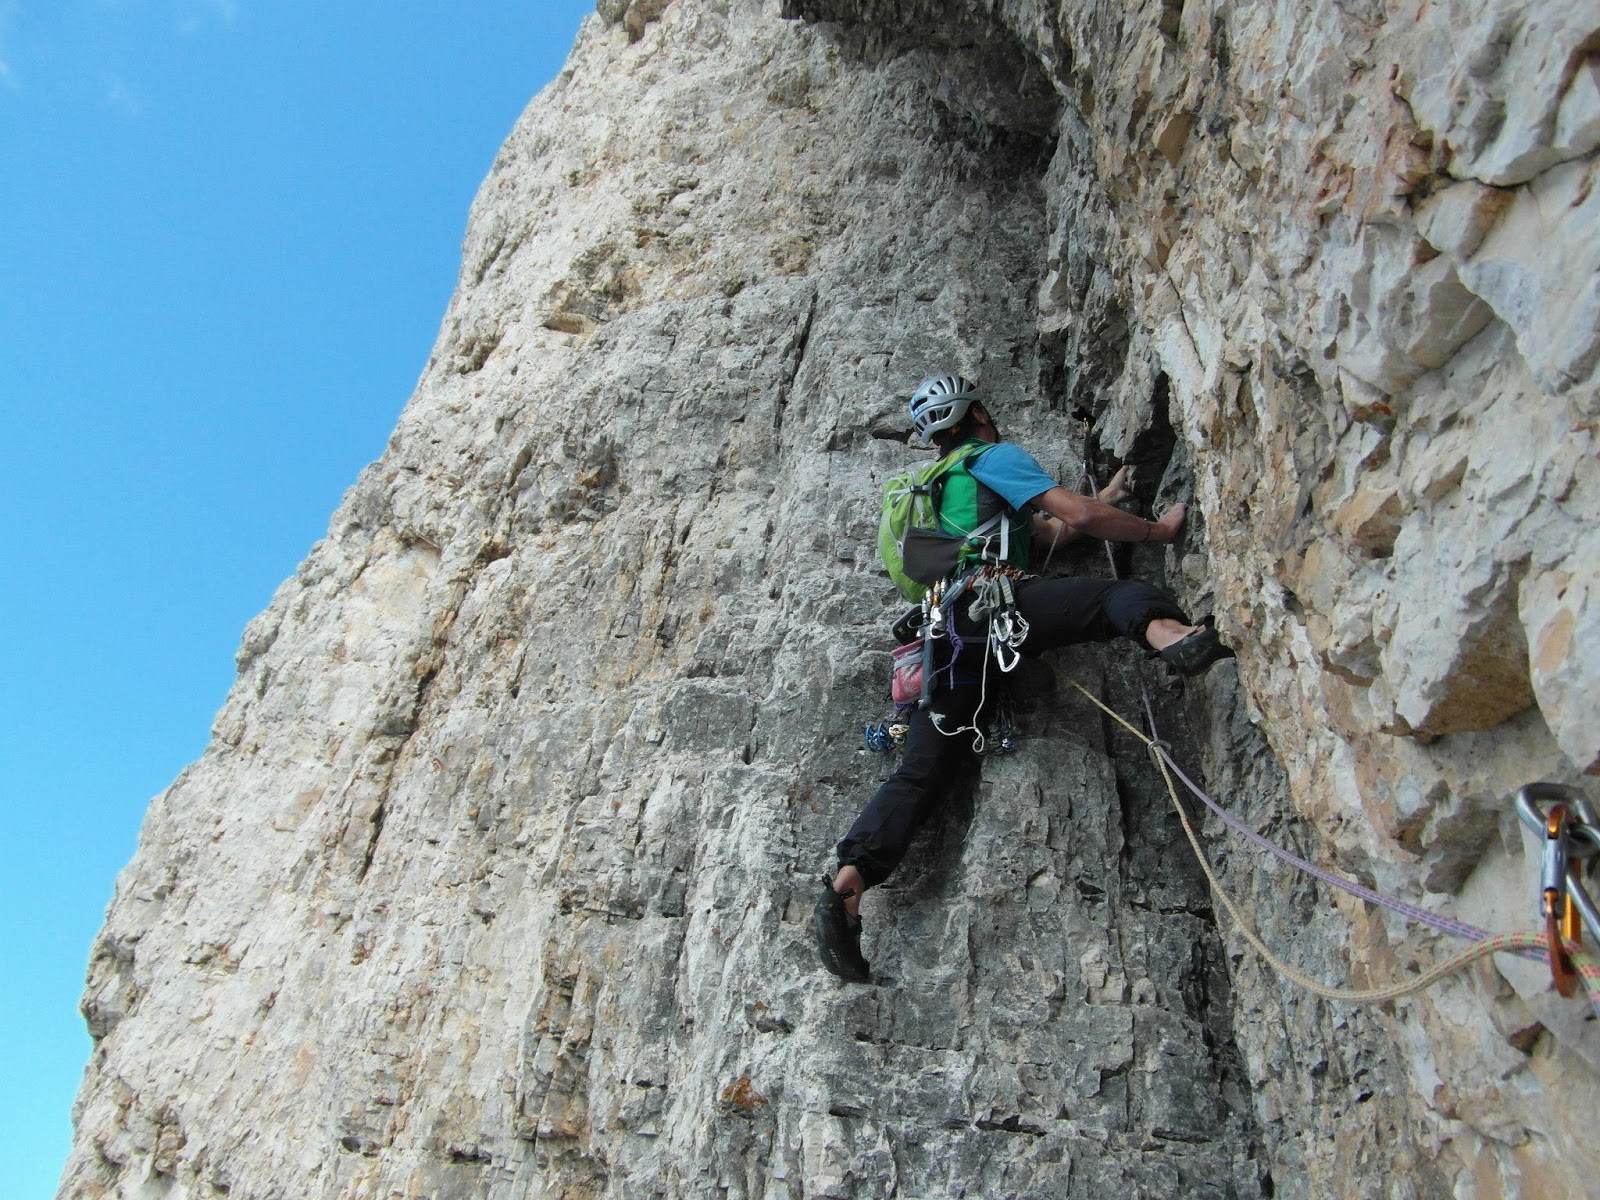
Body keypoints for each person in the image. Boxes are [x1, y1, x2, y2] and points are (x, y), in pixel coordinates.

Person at [814, 373, 1233, 983]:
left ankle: (850, 882)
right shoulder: (991, 458)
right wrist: (1157, 531)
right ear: (979, 413)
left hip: (944, 639)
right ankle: (1174, 637)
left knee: (924, 769)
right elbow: (1079, 516)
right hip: (996, 607)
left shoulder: (939, 485)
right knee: (1113, 598)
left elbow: (1051, 533)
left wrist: (1110, 492)